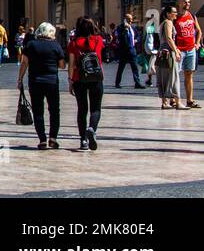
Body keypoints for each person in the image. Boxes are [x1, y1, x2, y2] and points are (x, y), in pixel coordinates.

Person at [18, 21, 66, 149]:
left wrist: (20, 79)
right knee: (54, 111)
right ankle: (53, 138)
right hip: (52, 82)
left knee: (38, 112)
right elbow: (62, 65)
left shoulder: (31, 45)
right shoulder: (56, 46)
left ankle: (42, 140)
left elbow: (24, 63)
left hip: (35, 82)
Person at [67, 16, 105, 151]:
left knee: (82, 109)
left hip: (79, 78)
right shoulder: (98, 40)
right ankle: (92, 128)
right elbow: (100, 58)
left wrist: (70, 81)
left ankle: (83, 140)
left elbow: (71, 65)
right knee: (96, 108)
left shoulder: (74, 43)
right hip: (96, 78)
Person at [174, 0, 198, 109]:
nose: (188, 4)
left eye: (188, 2)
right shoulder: (175, 18)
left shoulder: (192, 16)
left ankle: (190, 100)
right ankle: (174, 100)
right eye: (185, 2)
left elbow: (199, 31)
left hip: (191, 50)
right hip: (179, 50)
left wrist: (197, 43)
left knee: (189, 74)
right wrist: (175, 49)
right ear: (179, 3)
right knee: (176, 75)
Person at [157, 5, 182, 109]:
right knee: (174, 77)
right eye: (174, 12)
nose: (176, 14)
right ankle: (178, 102)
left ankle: (165, 102)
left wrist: (176, 48)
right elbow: (169, 38)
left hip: (162, 53)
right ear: (168, 13)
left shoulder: (162, 23)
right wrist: (176, 51)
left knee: (164, 78)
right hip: (168, 54)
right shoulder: (168, 22)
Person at [112, 13, 143, 89]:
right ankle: (117, 83)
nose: (131, 21)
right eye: (129, 19)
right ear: (125, 19)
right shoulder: (120, 27)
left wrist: (136, 40)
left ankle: (137, 83)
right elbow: (119, 37)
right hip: (124, 51)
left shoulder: (132, 27)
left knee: (135, 67)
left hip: (132, 50)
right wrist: (125, 30)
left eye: (131, 19)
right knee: (121, 68)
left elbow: (138, 35)